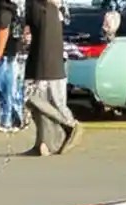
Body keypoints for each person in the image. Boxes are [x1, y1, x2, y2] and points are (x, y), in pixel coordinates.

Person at [23, 0, 82, 155]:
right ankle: (43, 143)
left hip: (47, 57)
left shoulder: (48, 10)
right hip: (40, 43)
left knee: (41, 97)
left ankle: (69, 124)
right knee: (37, 98)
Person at [0, 0, 25, 131]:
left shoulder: (1, 7)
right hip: (12, 54)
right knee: (14, 89)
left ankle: (6, 121)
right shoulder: (12, 7)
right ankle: (16, 119)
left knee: (5, 88)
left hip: (6, 56)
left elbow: (3, 28)